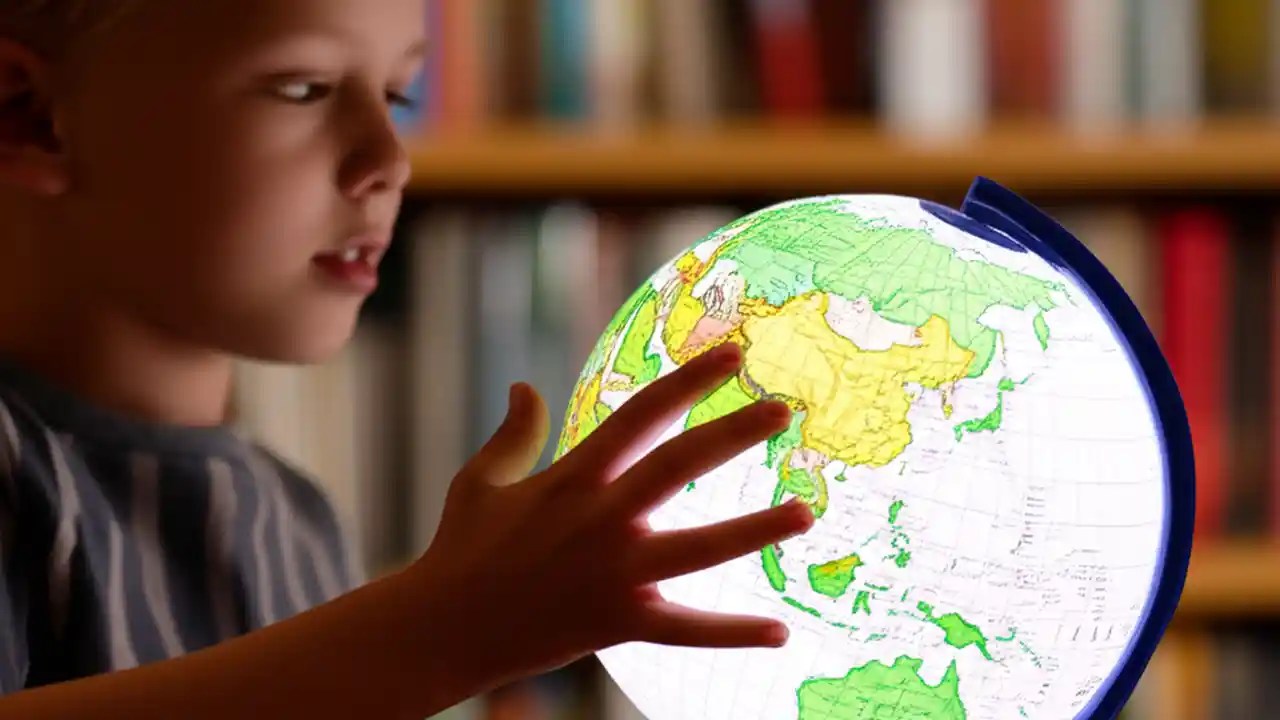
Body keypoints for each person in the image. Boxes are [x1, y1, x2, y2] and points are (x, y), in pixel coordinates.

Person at [0, 1, 815, 718]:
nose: (388, 160)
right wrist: (438, 634)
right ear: (29, 115)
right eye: (303, 89)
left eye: (397, 96)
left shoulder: (296, 518)